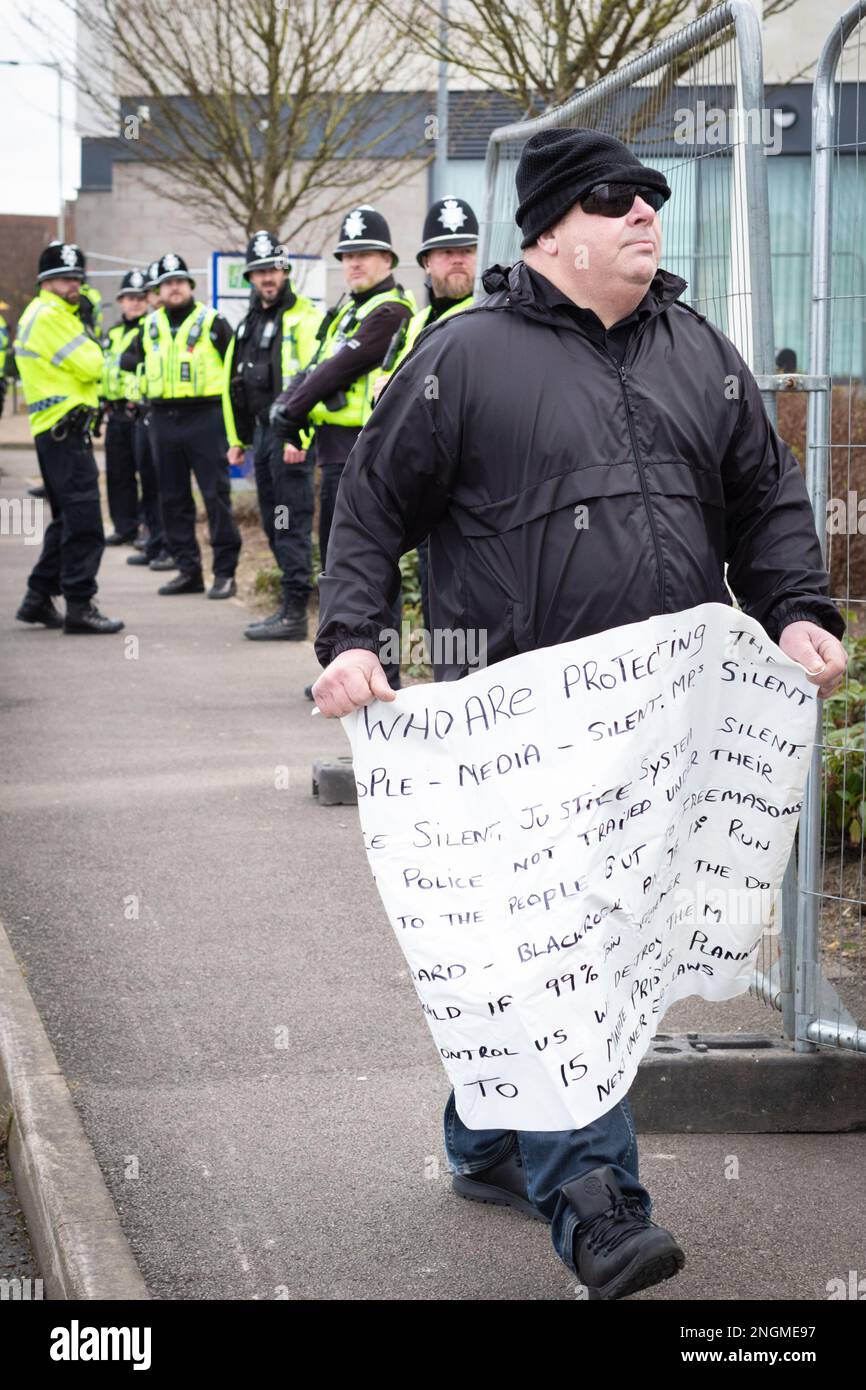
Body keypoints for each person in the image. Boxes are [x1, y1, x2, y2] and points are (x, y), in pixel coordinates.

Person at [309, 128, 848, 1299]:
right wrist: (351, 639)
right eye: (614, 201)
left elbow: (761, 500)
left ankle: (491, 1141)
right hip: (519, 728)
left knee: (590, 951)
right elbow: (369, 510)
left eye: (651, 198)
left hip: (665, 731)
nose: (644, 215)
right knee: (560, 952)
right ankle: (597, 1209)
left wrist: (795, 610)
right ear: (548, 229)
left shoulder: (699, 349)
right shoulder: (465, 357)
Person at [269, 206, 414, 693]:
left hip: (366, 451)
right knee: (340, 569)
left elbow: (339, 369)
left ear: (388, 259)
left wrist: (291, 410)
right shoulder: (345, 311)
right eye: (348, 256)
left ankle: (383, 675)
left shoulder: (390, 310)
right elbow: (313, 365)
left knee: (370, 569)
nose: (355, 264)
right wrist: (290, 408)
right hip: (334, 451)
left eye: (365, 255)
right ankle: (345, 669)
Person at [377, 196, 479, 632]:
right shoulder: (416, 323)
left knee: (476, 602)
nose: (457, 259)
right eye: (445, 251)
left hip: (478, 484)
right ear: (425, 263)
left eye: (467, 250)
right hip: (424, 479)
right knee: (437, 594)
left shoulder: (492, 315)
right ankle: (443, 691)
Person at [13, 240, 124, 634]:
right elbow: (92, 364)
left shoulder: (44, 312)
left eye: (76, 277)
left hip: (55, 431)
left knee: (64, 521)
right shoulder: (51, 315)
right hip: (65, 430)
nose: (72, 284)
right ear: (46, 282)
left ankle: (37, 598)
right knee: (85, 521)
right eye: (63, 278)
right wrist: (89, 330)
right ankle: (80, 604)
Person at [121, 252, 241, 598]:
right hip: (162, 420)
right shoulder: (150, 325)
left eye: (179, 282)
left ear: (190, 285)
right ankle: (188, 569)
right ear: (158, 290)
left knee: (215, 496)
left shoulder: (212, 321)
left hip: (206, 418)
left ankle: (224, 572)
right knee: (171, 498)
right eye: (167, 283)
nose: (174, 288)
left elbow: (234, 371)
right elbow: (128, 360)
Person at [222, 230, 322, 640]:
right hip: (261, 438)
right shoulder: (248, 323)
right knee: (271, 520)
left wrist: (301, 436)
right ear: (250, 277)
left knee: (291, 524)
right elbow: (233, 384)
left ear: (286, 271)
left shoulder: (306, 318)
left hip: (290, 439)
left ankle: (296, 613)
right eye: (260, 270)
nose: (268, 277)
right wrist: (236, 438)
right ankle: (289, 603)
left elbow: (319, 379)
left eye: (275, 269)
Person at [101, 268, 149, 545]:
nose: (135, 303)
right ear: (121, 301)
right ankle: (124, 526)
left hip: (141, 413)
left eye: (140, 297)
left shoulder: (152, 330)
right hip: (115, 413)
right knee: (118, 474)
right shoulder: (113, 333)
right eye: (129, 297)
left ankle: (146, 528)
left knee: (147, 475)